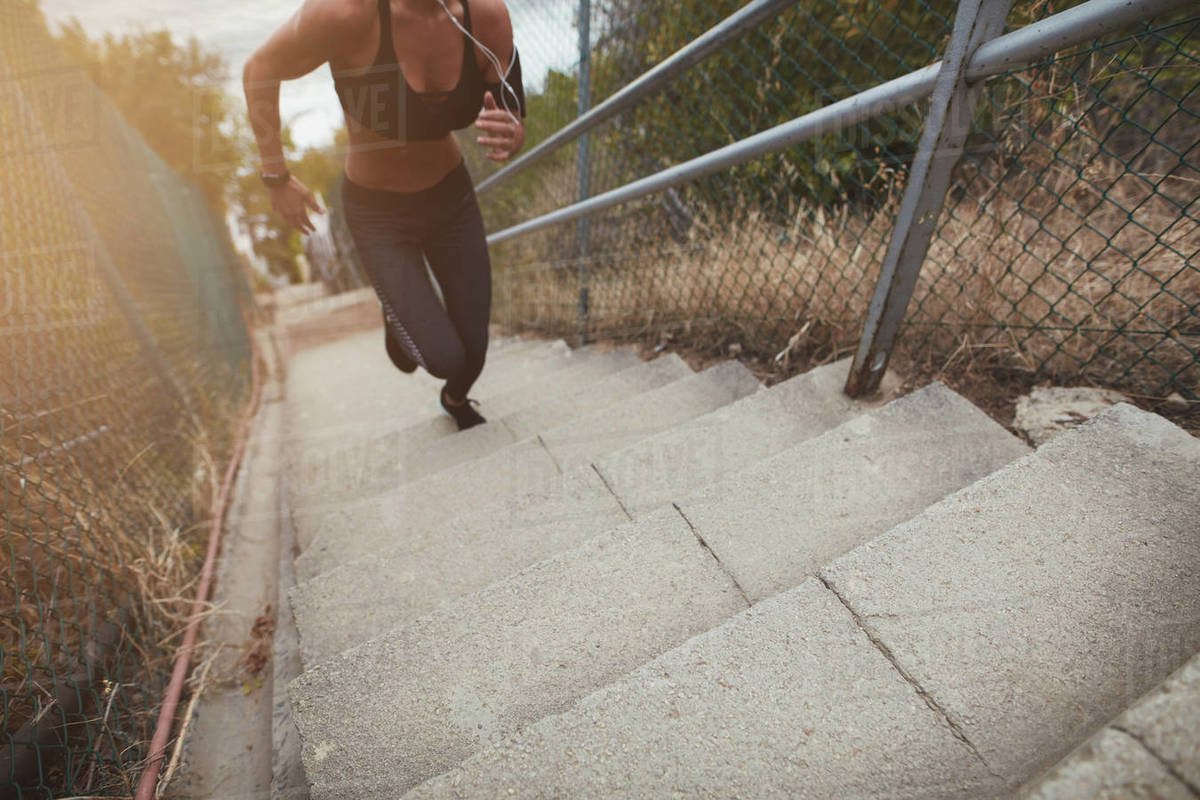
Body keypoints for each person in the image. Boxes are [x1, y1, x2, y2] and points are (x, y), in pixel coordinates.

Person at [243, 0, 526, 430]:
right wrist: (275, 176)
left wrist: (514, 132)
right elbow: (260, 68)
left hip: (451, 202)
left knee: (473, 353)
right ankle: (398, 314)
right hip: (379, 215)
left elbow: (510, 105)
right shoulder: (345, 14)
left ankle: (454, 397)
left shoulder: (486, 16)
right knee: (443, 355)